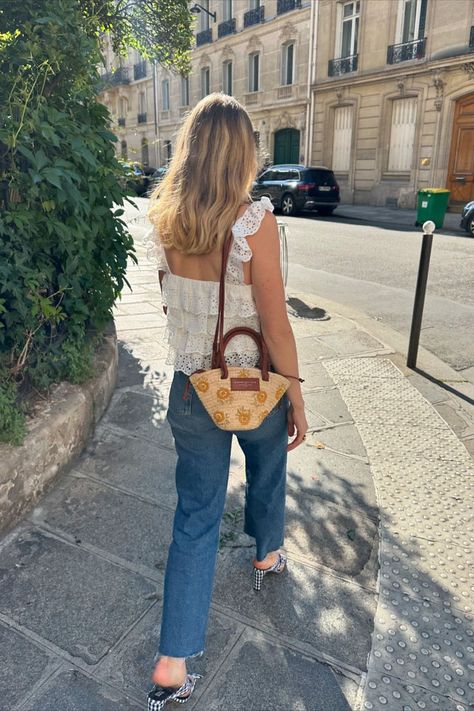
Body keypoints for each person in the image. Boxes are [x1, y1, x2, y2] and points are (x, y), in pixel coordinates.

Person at [146, 93, 308, 711]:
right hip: (253, 385)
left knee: (195, 517)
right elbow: (276, 321)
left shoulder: (166, 219)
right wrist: (296, 395)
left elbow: (171, 305)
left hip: (193, 386)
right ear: (243, 154)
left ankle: (171, 662)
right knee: (268, 470)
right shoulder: (253, 222)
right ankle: (267, 554)